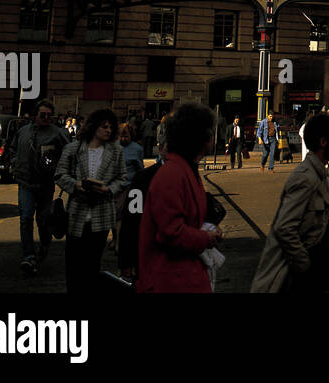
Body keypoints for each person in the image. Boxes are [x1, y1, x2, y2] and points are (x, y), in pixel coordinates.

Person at [251, 112, 329, 292]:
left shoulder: (320, 175)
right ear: (323, 142)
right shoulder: (305, 178)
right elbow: (284, 228)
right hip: (295, 280)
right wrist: (306, 265)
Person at [137, 103, 222, 293]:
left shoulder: (184, 169)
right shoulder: (173, 174)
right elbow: (170, 233)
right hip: (171, 279)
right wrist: (205, 237)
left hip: (182, 277)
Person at [54, 109, 127, 295]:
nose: (108, 130)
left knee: (92, 264)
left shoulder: (116, 150)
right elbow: (60, 174)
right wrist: (76, 185)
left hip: (101, 215)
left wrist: (108, 189)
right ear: (94, 127)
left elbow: (122, 178)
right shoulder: (74, 148)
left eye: (111, 127)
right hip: (76, 214)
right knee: (73, 265)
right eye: (104, 126)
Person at [12, 99, 69, 275]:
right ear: (36, 115)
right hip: (25, 183)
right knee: (26, 217)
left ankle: (45, 243)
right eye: (42, 115)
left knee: (43, 221)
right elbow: (12, 149)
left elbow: (68, 153)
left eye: (48, 115)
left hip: (45, 184)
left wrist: (61, 171)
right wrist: (14, 163)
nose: (45, 118)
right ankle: (28, 255)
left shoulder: (57, 134)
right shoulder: (23, 132)